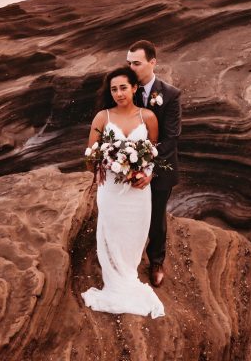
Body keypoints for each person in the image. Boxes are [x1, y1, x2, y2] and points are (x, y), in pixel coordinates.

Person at [81, 66, 165, 318]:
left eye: (123, 88)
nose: (118, 93)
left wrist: (146, 173)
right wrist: (99, 167)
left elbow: (154, 154)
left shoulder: (148, 117)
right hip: (111, 189)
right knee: (112, 229)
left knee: (135, 231)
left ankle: (129, 270)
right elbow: (89, 157)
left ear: (134, 88)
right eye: (114, 89)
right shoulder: (102, 117)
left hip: (138, 189)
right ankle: (115, 278)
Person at [126, 40, 181, 287]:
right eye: (129, 63)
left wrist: (150, 169)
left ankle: (156, 261)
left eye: (136, 63)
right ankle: (128, 257)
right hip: (129, 165)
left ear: (152, 62)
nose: (131, 67)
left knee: (156, 216)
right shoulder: (126, 90)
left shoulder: (170, 95)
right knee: (130, 212)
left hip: (162, 167)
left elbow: (171, 139)